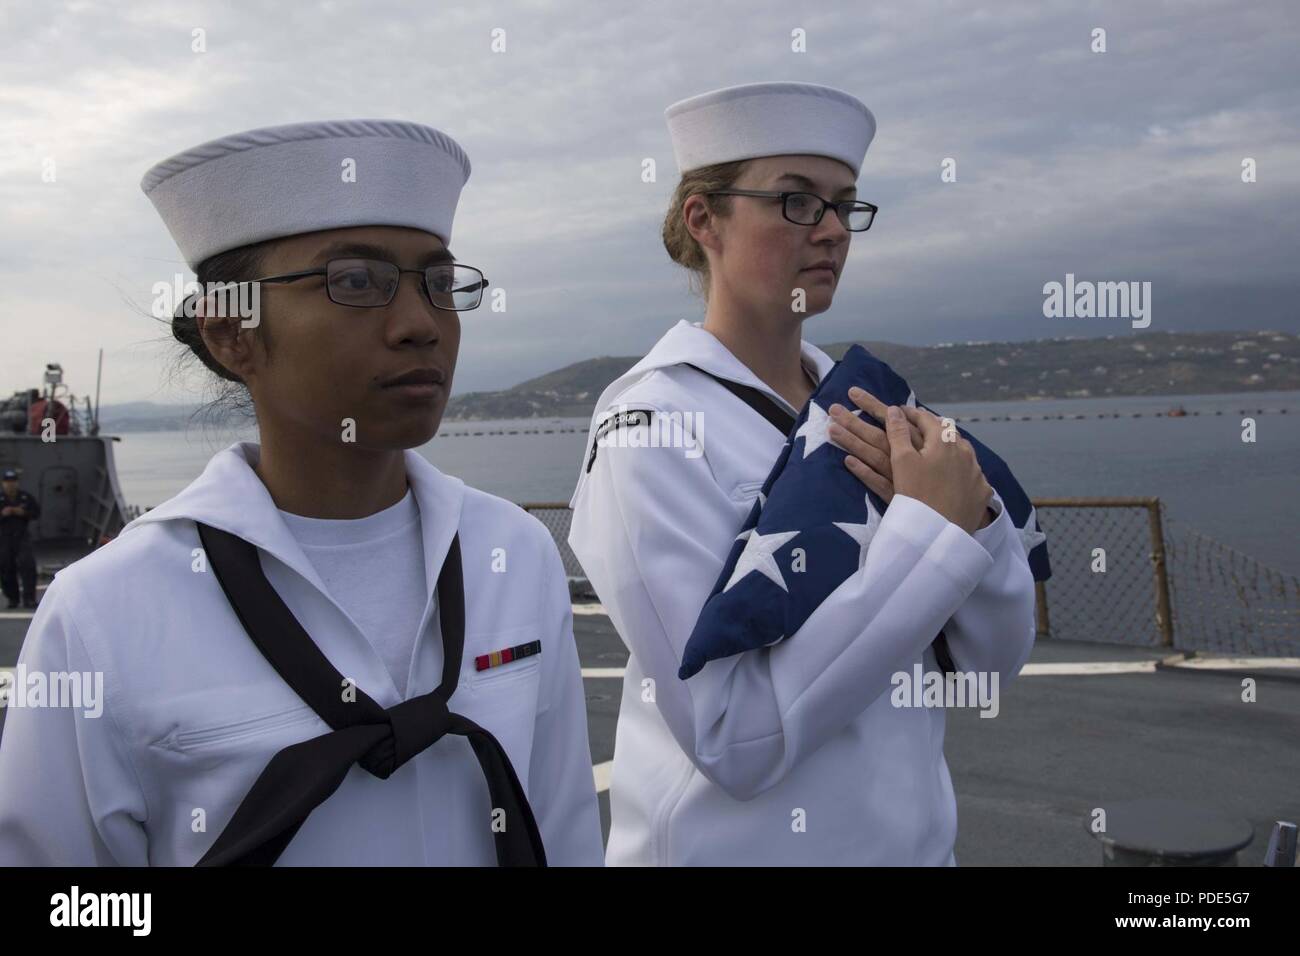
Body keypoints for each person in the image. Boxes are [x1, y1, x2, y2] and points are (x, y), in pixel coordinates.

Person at [0, 119, 603, 866]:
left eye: (439, 284)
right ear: (232, 334)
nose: (421, 324)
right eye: (354, 281)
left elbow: (565, 831)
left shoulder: (511, 554)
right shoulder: (102, 614)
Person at [568, 82, 1038, 865]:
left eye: (843, 205)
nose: (829, 230)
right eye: (795, 201)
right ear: (703, 219)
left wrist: (978, 530)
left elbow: (985, 667)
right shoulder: (649, 429)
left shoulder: (868, 404)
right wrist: (930, 533)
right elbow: (732, 739)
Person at [0, 469, 41, 610]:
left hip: (22, 537)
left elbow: (36, 512)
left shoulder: (25, 497)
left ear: (17, 483)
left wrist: (23, 512)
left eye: (13, 482)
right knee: (6, 568)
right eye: (7, 482)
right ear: (3, 483)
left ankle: (29, 598)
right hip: (4, 538)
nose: (10, 485)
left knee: (28, 566)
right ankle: (12, 598)